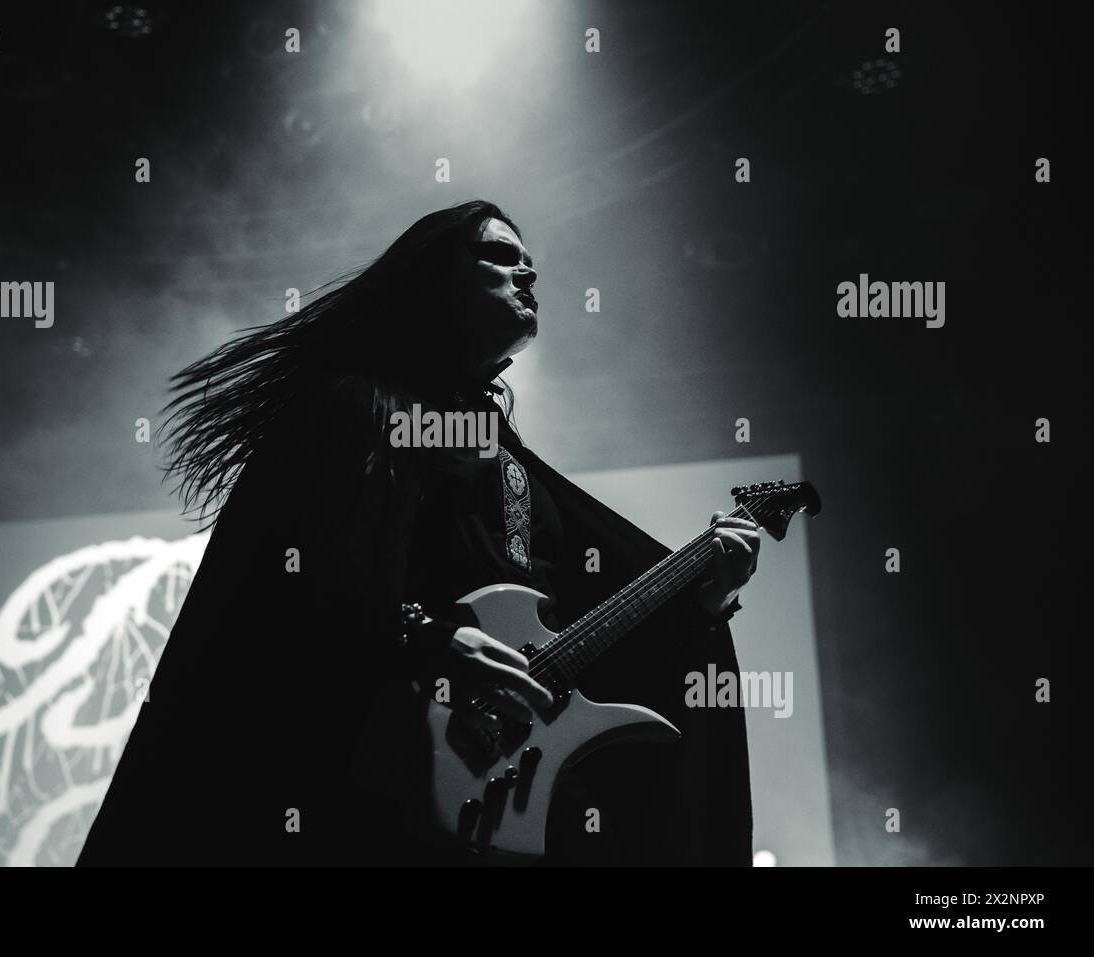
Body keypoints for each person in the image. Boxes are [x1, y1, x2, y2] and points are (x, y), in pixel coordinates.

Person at [78, 199, 759, 866]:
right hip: (377, 789)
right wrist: (427, 637)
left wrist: (698, 605)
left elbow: (589, 637)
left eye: (532, 266)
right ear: (434, 281)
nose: (526, 275)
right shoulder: (356, 406)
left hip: (514, 796)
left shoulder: (511, 460)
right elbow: (292, 588)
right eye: (499, 256)